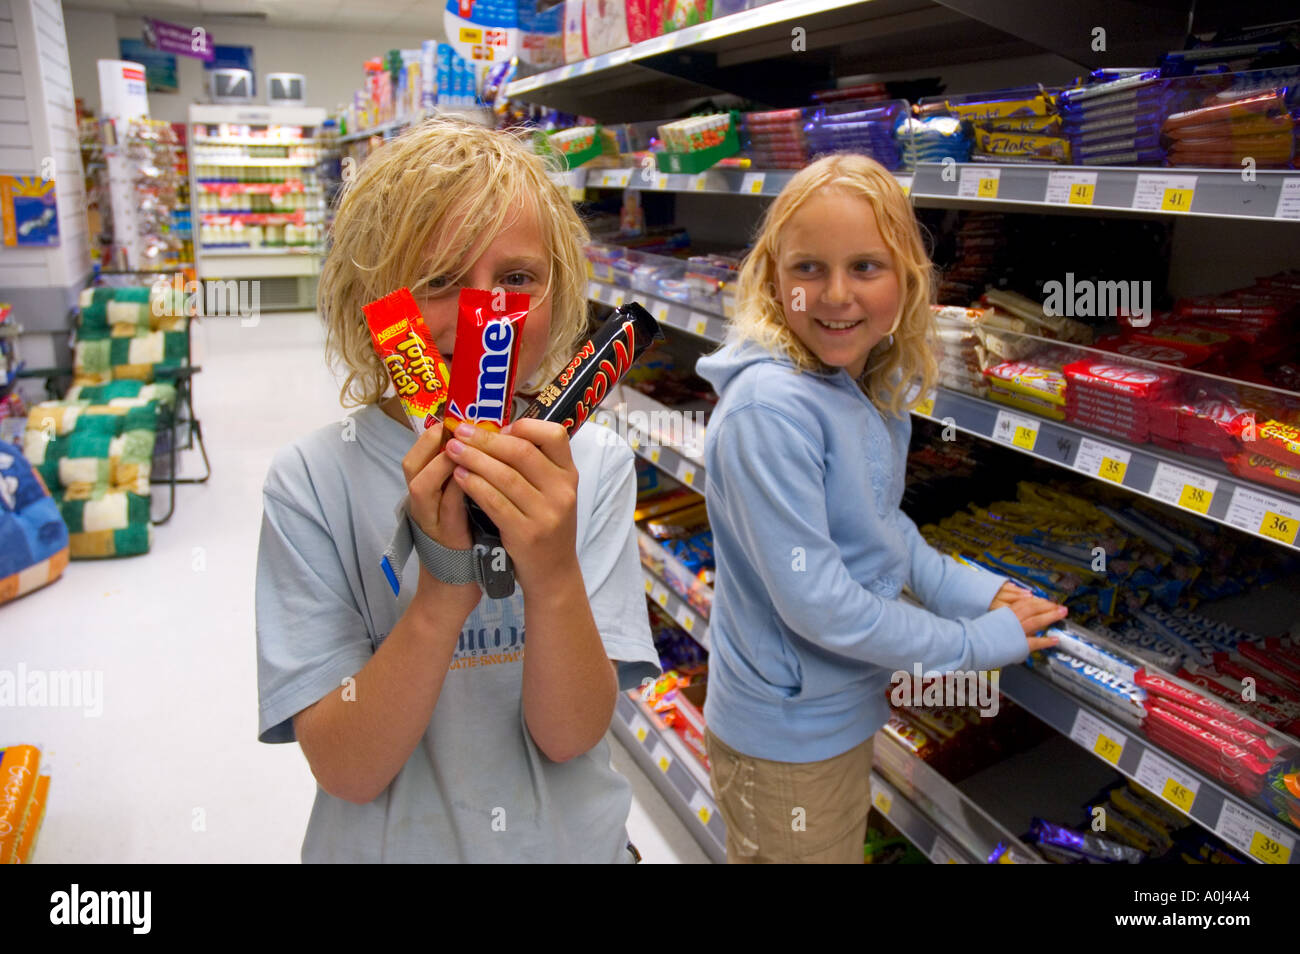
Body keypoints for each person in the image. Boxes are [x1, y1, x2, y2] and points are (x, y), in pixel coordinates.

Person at [254, 118, 659, 863]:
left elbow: (571, 737)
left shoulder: (591, 465)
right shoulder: (312, 482)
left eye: (517, 279)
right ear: (371, 301)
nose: (486, 318)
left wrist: (555, 574)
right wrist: (443, 589)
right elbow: (347, 769)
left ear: (560, 290)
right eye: (439, 281)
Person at [695, 153, 1066, 864]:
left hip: (827, 714)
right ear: (773, 277)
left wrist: (976, 590)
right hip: (788, 739)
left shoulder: (854, 384)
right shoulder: (770, 411)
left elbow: (881, 530)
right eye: (808, 269)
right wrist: (976, 646)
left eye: (866, 266)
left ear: (908, 279)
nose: (836, 294)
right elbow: (822, 605)